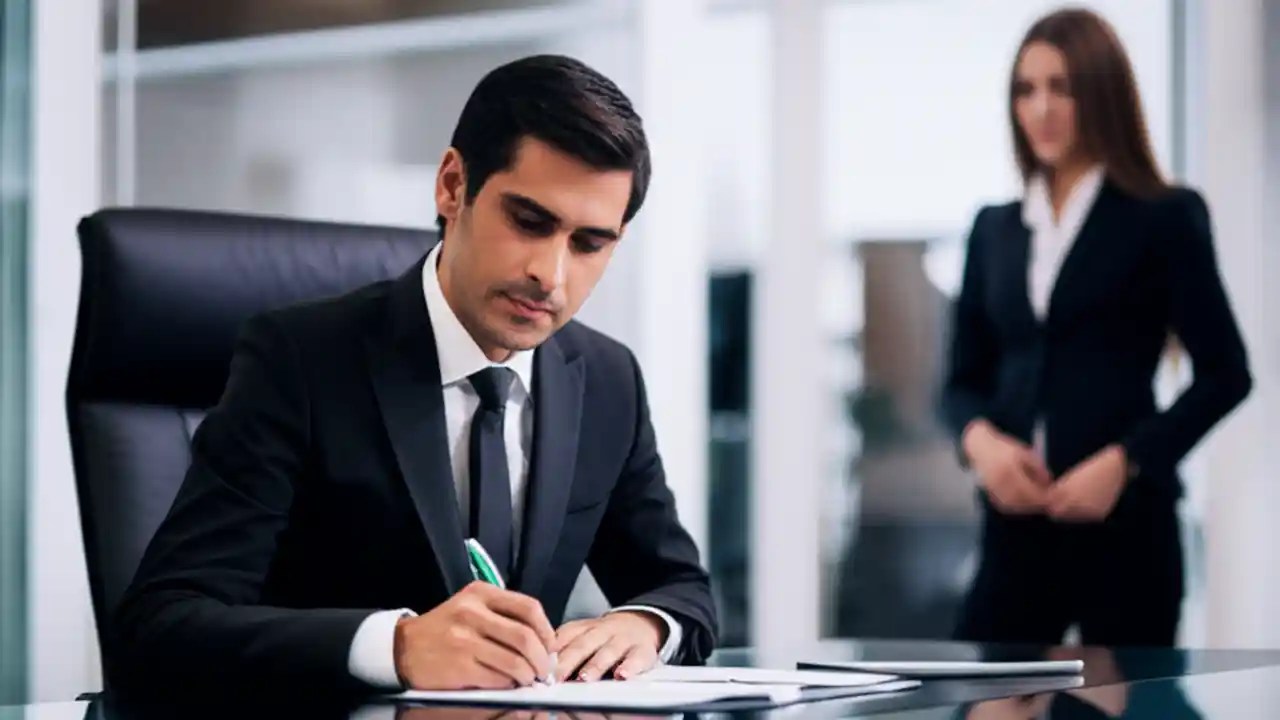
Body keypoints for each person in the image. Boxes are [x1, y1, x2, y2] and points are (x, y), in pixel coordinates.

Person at [109, 54, 717, 697]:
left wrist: (647, 625)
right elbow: (160, 626)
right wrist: (395, 647)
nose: (552, 274)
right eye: (529, 221)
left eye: (589, 243)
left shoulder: (606, 378)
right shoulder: (300, 360)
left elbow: (684, 590)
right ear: (453, 186)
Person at [942, 8, 1251, 647]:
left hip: (1128, 536)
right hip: (1014, 535)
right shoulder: (994, 229)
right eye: (1026, 90)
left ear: (1102, 94)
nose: (1042, 108)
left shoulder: (1164, 216)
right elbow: (959, 381)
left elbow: (1226, 374)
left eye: (1063, 87)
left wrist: (1128, 461)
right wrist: (982, 445)